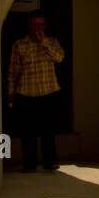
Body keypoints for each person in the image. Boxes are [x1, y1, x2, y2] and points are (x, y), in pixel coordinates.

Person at [7, 11, 65, 172]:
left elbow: (59, 58)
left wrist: (44, 42)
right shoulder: (19, 45)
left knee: (49, 130)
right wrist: (10, 93)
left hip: (49, 91)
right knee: (27, 132)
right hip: (26, 93)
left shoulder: (52, 42)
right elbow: (13, 71)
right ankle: (29, 164)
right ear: (29, 25)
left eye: (40, 24)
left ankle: (50, 162)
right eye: (34, 24)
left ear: (45, 26)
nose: (37, 27)